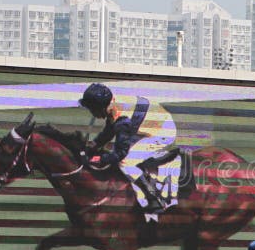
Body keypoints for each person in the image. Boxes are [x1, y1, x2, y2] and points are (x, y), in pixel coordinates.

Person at [78, 83, 182, 214]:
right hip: (148, 125)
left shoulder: (121, 118)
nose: (92, 114)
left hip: (162, 132)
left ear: (100, 107)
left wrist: (100, 159)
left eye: (92, 110)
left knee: (126, 162)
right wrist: (94, 144)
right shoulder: (112, 105)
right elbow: (109, 130)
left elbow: (121, 153)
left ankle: (154, 198)